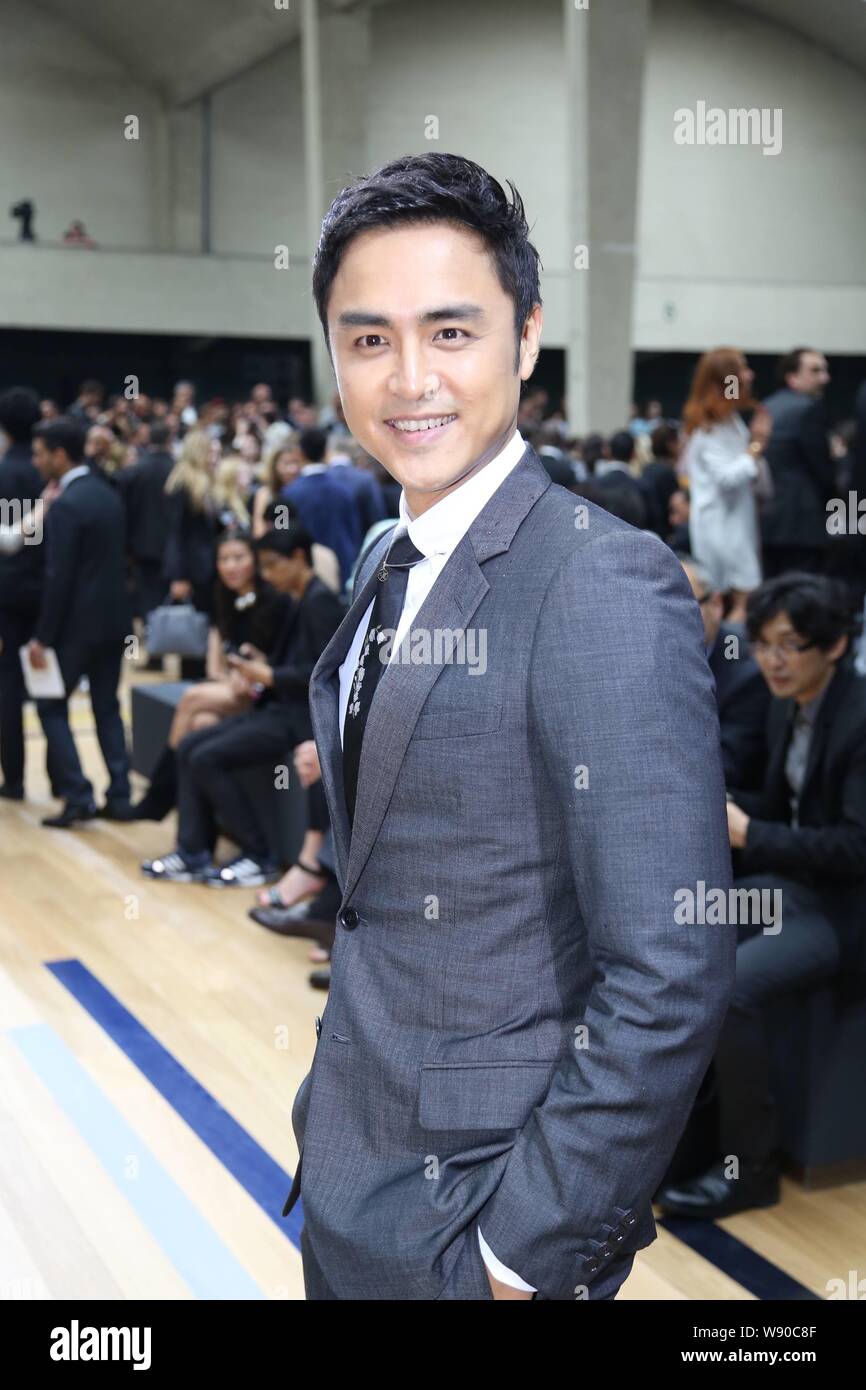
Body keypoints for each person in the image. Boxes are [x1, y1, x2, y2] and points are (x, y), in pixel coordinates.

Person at [280, 151, 735, 1302]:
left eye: (451, 332)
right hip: (352, 1160)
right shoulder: (393, 553)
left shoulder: (598, 580)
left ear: (525, 339)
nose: (407, 378)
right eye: (368, 338)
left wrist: (517, 1252)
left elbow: (670, 964)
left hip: (476, 1213)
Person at [657, 574, 866, 1219]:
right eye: (765, 644)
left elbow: (856, 850)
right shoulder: (789, 702)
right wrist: (721, 809)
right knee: (682, 929)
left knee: (735, 986)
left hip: (845, 909)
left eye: (790, 646)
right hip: (793, 889)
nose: (772, 660)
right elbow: (777, 811)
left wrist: (753, 831)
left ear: (833, 648)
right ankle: (687, 1139)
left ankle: (750, 1169)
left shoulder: (859, 717)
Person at [140, 523, 343, 887]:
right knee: (190, 744)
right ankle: (192, 851)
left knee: (204, 754)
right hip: (277, 708)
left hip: (298, 719)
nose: (266, 575)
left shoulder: (319, 602)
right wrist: (260, 667)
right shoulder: (301, 598)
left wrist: (267, 675)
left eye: (270, 565)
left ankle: (258, 853)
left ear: (298, 558)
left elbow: (324, 673)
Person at [131, 528, 287, 821]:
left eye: (238, 557)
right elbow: (218, 653)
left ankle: (158, 797)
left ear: (253, 559)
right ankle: (201, 829)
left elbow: (263, 661)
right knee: (201, 723)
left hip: (261, 692)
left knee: (191, 698)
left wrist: (236, 673)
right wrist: (220, 673)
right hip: (231, 685)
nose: (230, 566)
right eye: (223, 559)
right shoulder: (223, 595)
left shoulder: (272, 599)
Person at [28, 418, 132, 827]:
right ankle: (120, 794)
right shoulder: (108, 493)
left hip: (75, 628)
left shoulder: (67, 505)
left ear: (58, 454)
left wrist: (42, 636)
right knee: (107, 707)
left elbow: (59, 577)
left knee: (51, 706)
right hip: (115, 622)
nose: (35, 462)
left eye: (39, 454)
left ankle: (77, 795)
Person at [682, 348, 771, 624]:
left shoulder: (728, 420)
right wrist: (757, 444)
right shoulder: (709, 428)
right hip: (721, 529)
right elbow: (727, 478)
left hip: (734, 523)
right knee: (732, 605)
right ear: (726, 379)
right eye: (743, 368)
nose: (750, 374)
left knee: (737, 602)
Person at [679, 556, 770, 789]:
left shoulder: (744, 667)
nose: (670, 618)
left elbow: (727, 767)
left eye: (684, 605)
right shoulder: (642, 659)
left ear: (717, 605)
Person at [0, 387, 44, 799]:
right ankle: (64, 779)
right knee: (46, 679)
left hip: (11, 591)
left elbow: (12, 540)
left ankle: (14, 776)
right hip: (47, 588)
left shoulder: (7, 471)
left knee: (9, 681)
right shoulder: (47, 468)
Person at [760, 348, 834, 579]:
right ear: (792, 377)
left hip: (768, 521)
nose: (825, 378)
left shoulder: (767, 406)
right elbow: (822, 469)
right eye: (815, 370)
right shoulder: (808, 409)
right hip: (802, 522)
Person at [117, 419, 176, 620]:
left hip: (141, 546)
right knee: (172, 600)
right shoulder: (178, 471)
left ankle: (153, 640)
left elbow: (123, 511)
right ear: (170, 439)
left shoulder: (134, 471)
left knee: (148, 599)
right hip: (173, 546)